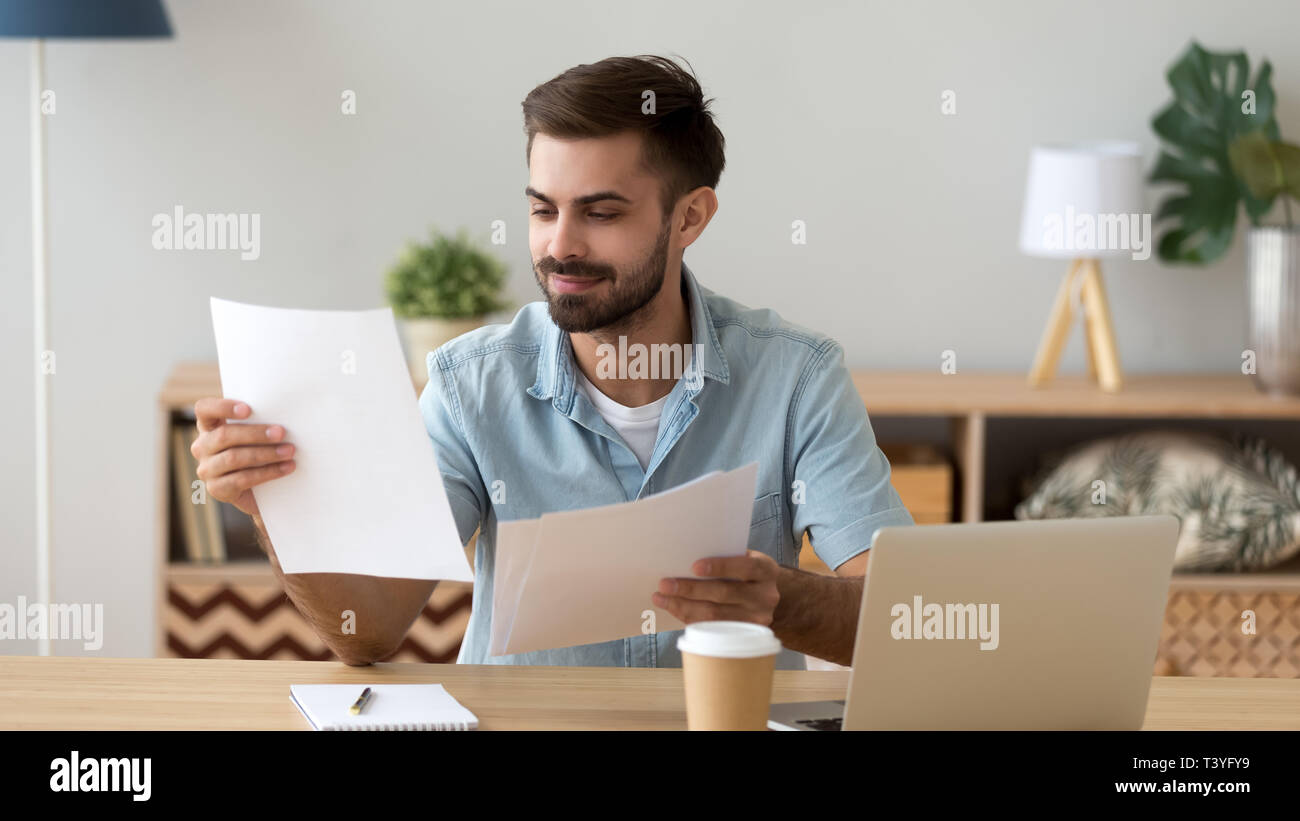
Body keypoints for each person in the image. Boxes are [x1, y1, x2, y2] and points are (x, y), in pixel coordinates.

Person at [190, 54, 913, 670]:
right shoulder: (470, 385)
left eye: (600, 213)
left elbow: (903, 618)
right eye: (543, 209)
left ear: (689, 217)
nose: (559, 247)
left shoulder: (796, 379)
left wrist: (783, 600)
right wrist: (274, 508)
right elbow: (371, 631)